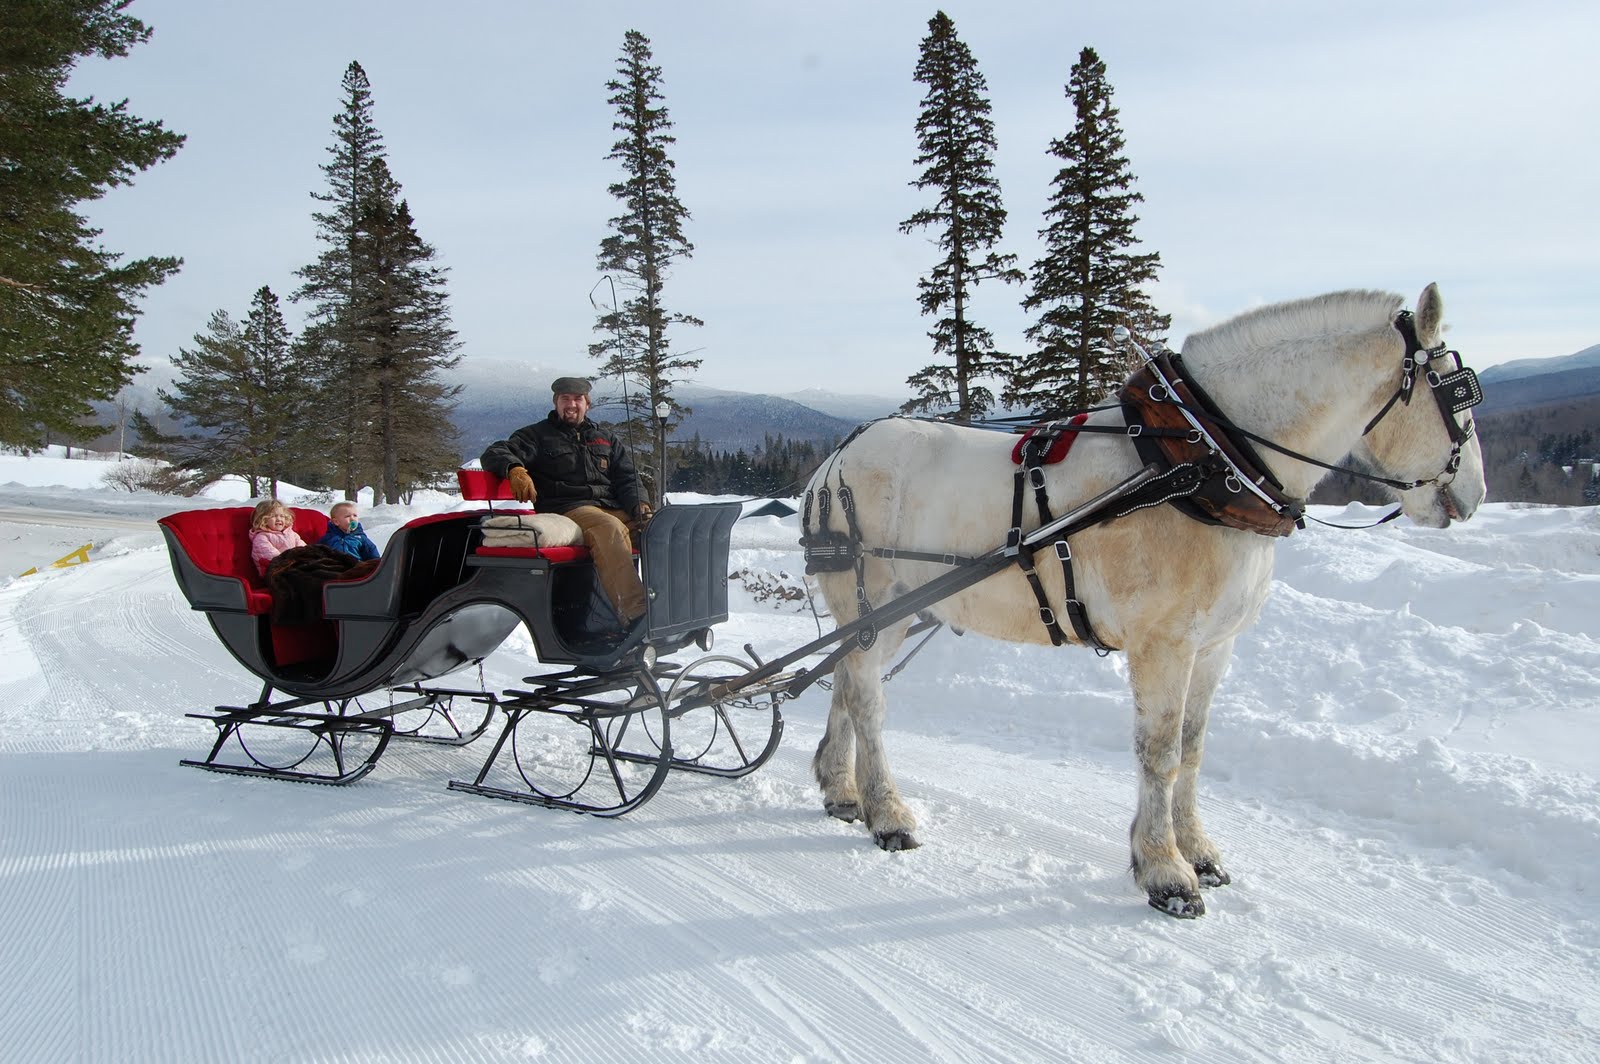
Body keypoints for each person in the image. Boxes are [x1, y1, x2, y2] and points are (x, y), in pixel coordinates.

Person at [479, 375, 653, 627]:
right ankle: (636, 615)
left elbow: (627, 477)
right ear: (555, 403)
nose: (571, 404)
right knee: (609, 529)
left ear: (587, 404)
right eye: (565, 399)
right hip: (568, 508)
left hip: (611, 507)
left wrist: (640, 507)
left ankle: (671, 607)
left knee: (662, 529)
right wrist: (514, 469)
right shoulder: (537, 435)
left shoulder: (604, 438)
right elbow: (495, 452)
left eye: (577, 399)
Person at [248, 499, 306, 576]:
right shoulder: (261, 538)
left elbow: (304, 549)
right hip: (275, 573)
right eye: (273, 516)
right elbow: (274, 558)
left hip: (293, 568)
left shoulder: (291, 534)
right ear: (263, 519)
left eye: (282, 516)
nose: (279, 519)